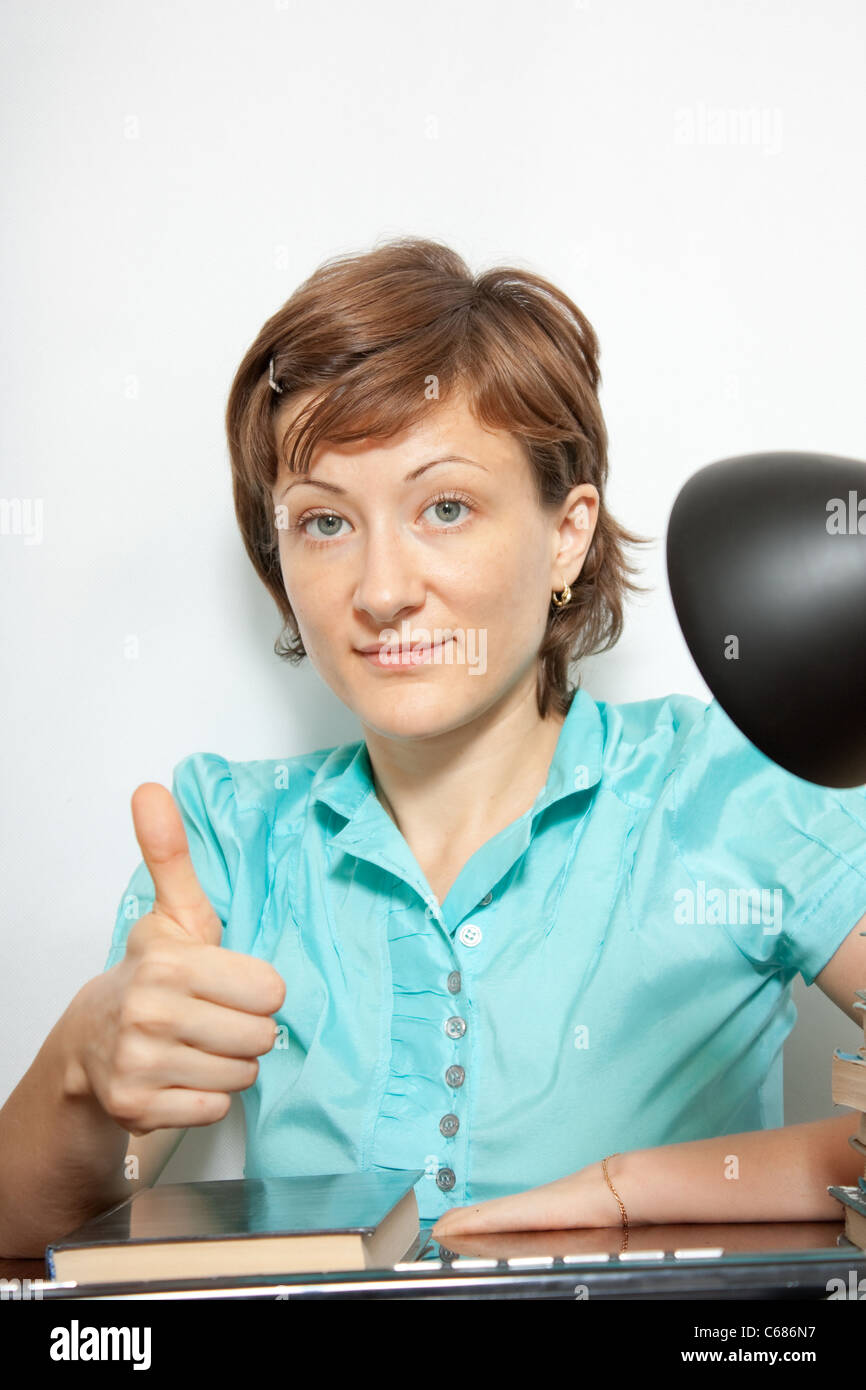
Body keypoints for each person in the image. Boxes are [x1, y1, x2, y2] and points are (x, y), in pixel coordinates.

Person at [1, 236, 865, 1259]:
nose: (378, 589)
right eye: (323, 522)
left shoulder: (734, 787)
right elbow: (35, 1229)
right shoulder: (226, 838)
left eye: (443, 507)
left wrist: (627, 1191)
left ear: (566, 534)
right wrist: (81, 1071)